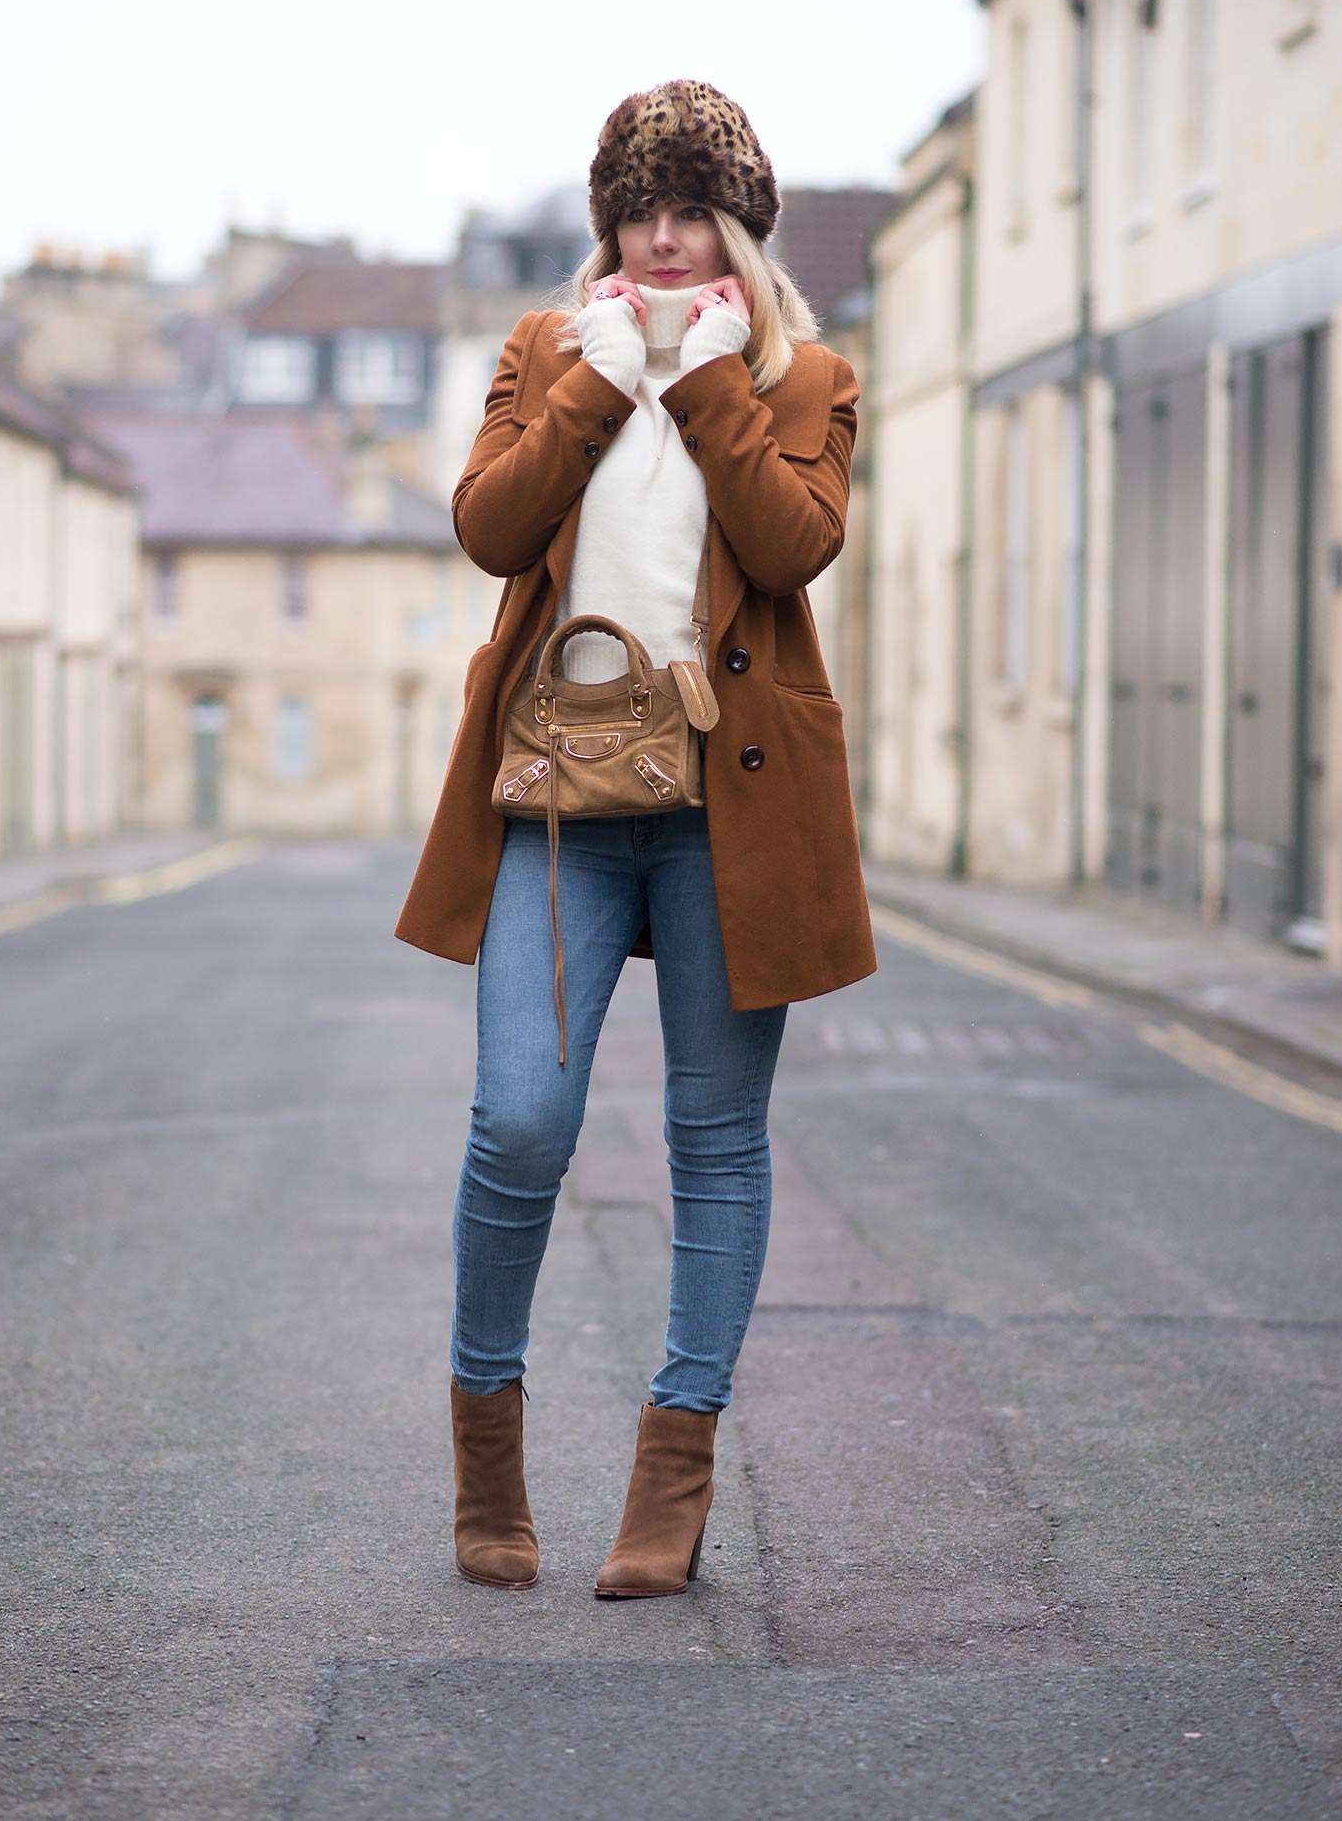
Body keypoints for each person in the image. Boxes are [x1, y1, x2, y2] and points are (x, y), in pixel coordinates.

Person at [394, 79, 877, 1598]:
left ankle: (672, 1476)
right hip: (560, 804)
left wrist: (711, 384)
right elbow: (488, 527)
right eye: (638, 211)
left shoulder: (809, 377)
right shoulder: (544, 352)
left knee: (716, 1142)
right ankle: (488, 1464)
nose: (663, 241)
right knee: (518, 1123)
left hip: (734, 805)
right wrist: (601, 387)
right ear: (608, 220)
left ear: (738, 225)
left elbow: (794, 545)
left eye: (692, 212)